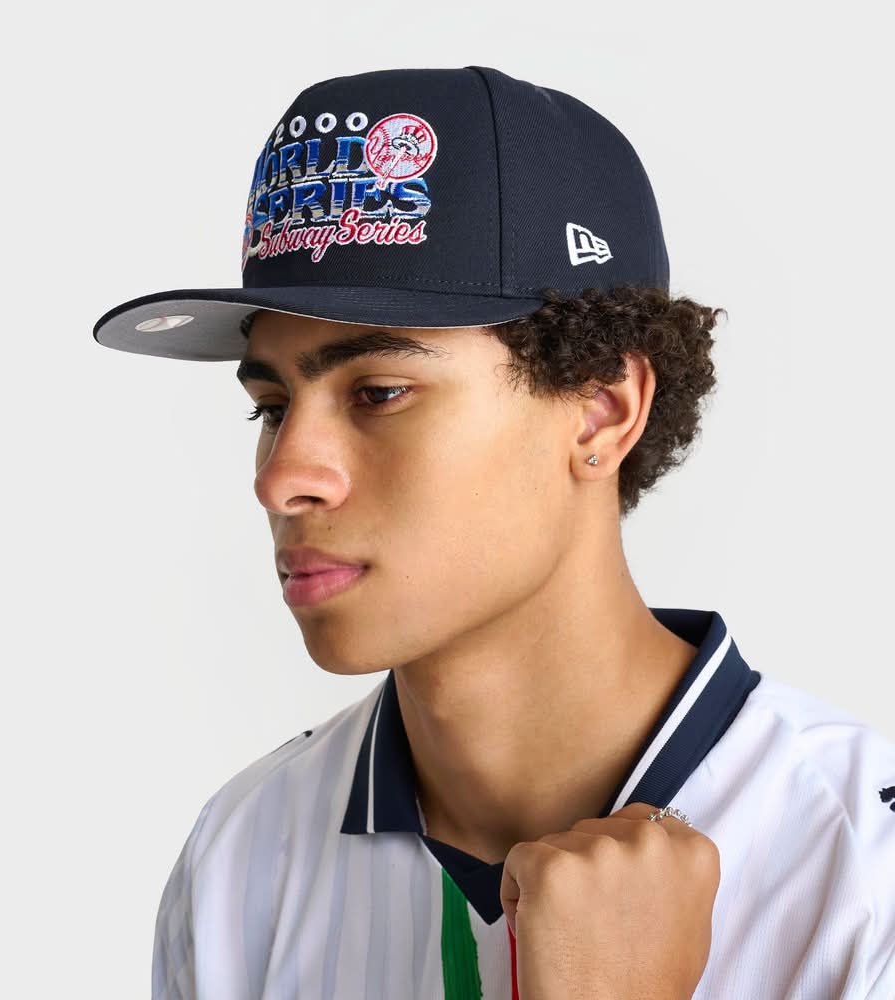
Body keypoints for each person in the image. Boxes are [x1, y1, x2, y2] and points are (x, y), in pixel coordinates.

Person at [93, 66, 895, 999]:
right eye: (270, 408)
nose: (280, 478)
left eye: (379, 393)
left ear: (601, 410)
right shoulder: (240, 857)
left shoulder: (864, 873)